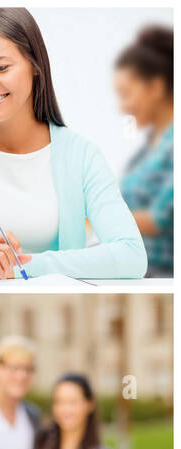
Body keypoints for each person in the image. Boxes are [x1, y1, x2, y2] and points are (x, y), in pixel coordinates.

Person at [0, 8, 146, 284]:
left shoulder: (81, 156)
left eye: (1, 67)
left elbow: (131, 256)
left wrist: (24, 265)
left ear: (35, 66)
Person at [114, 26, 173, 278]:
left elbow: (163, 217)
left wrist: (94, 217)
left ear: (156, 87)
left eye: (126, 94)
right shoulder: (145, 152)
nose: (122, 107)